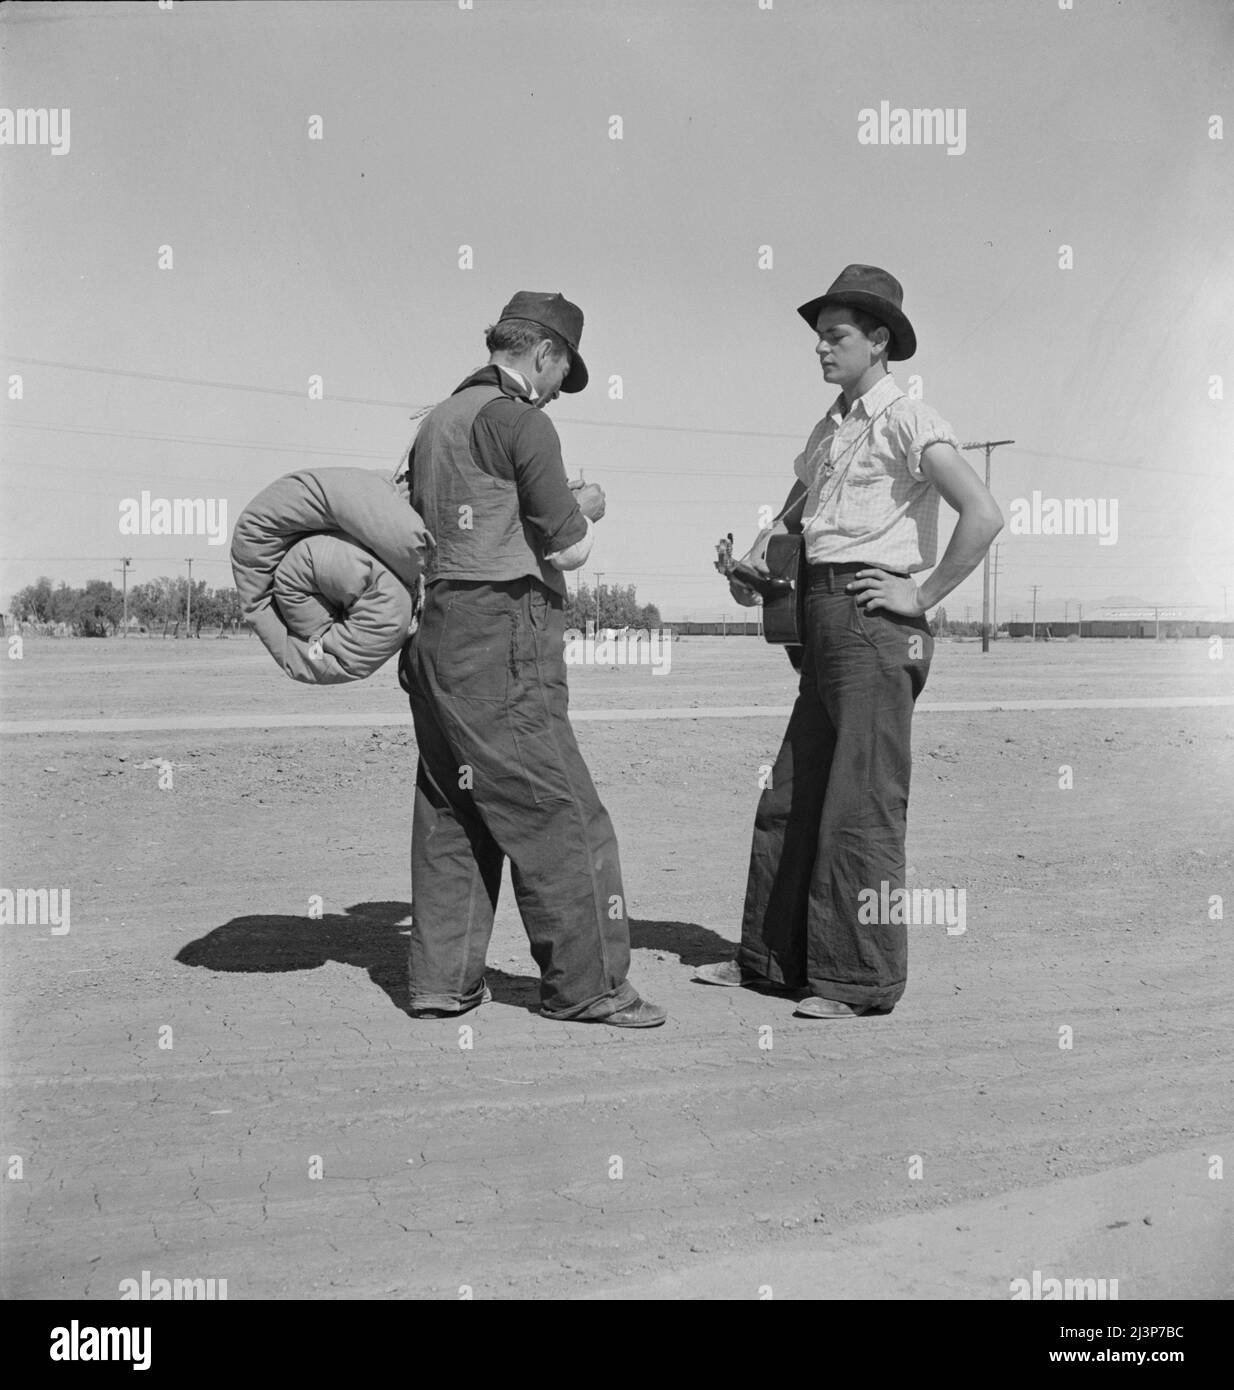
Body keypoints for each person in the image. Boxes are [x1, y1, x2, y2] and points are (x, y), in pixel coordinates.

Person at [695, 265, 1002, 1018]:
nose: (822, 350)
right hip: (822, 618)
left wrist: (920, 594)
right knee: (790, 798)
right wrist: (753, 576)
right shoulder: (829, 429)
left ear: (879, 341)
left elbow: (984, 513)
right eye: (819, 339)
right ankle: (770, 962)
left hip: (875, 626)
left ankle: (855, 982)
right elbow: (798, 527)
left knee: (859, 807)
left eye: (836, 337)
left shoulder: (909, 419)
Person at [399, 291, 665, 1028]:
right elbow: (568, 544)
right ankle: (592, 987)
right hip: (504, 633)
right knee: (564, 811)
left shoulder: (435, 422)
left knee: (455, 807)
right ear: (545, 354)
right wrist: (590, 504)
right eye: (561, 373)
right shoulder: (523, 423)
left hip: (433, 636)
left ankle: (442, 982)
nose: (557, 390)